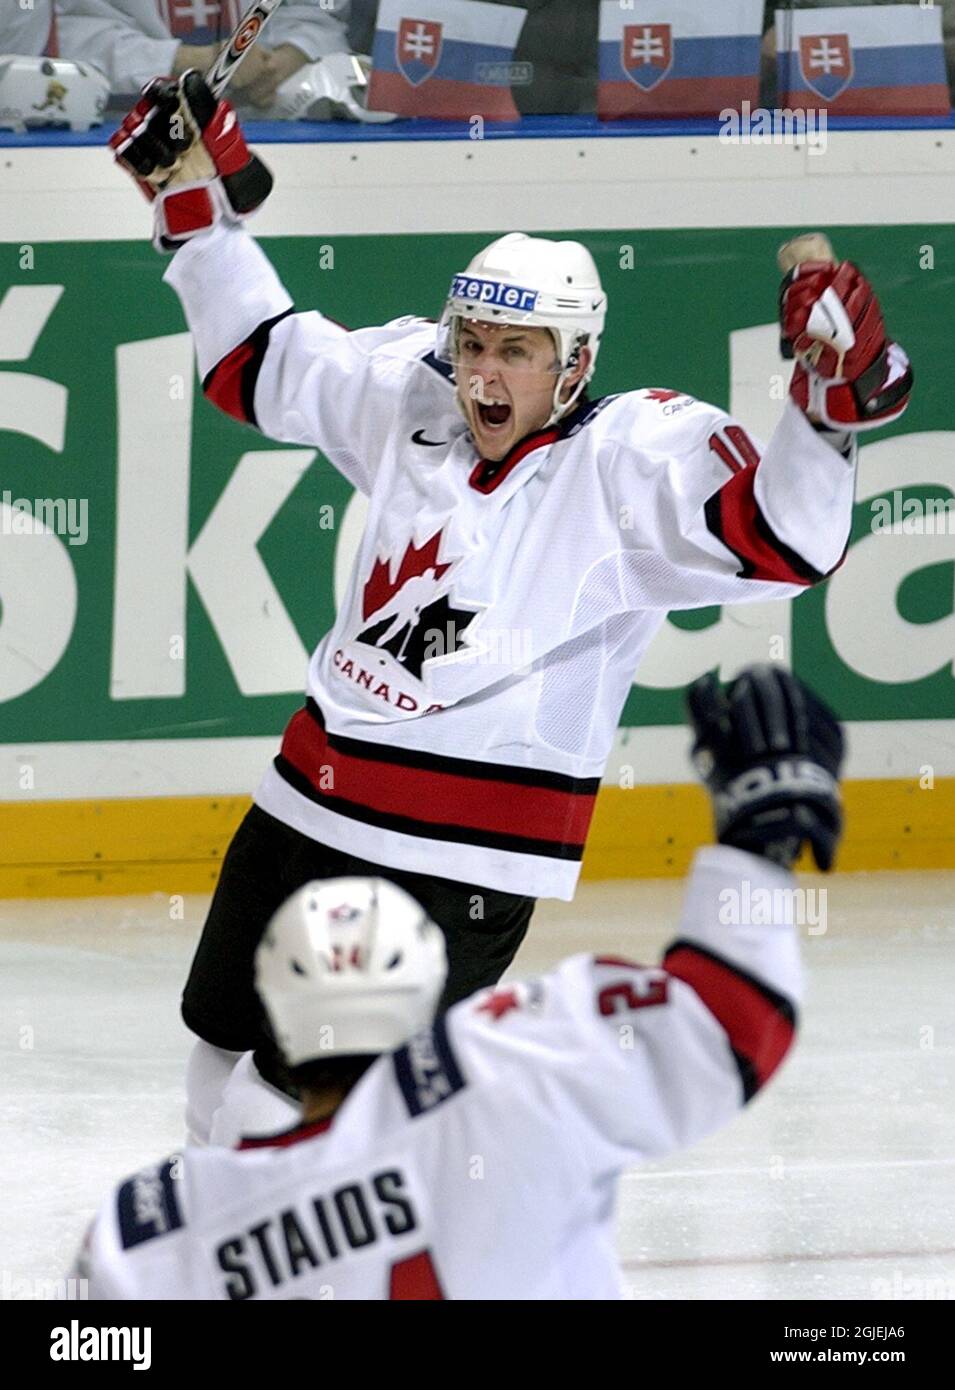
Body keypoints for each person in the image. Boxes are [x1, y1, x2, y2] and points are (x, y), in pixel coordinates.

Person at [109, 70, 910, 1144]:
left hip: (460, 853)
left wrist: (825, 408)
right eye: (474, 341)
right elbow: (259, 363)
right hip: (310, 790)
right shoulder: (414, 389)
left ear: (574, 362)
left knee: (281, 1108)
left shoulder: (632, 459)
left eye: (516, 352)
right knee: (215, 1065)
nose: (483, 372)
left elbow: (787, 539)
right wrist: (194, 207)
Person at [72, 663, 844, 1299]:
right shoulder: (516, 1075)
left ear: (272, 1001)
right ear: (438, 994)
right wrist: (758, 839)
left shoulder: (150, 1233)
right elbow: (731, 1022)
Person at [57, 0, 351, 107]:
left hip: (274, 125)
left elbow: (321, 11)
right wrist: (186, 61)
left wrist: (293, 53)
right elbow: (74, 33)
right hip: (134, 129)